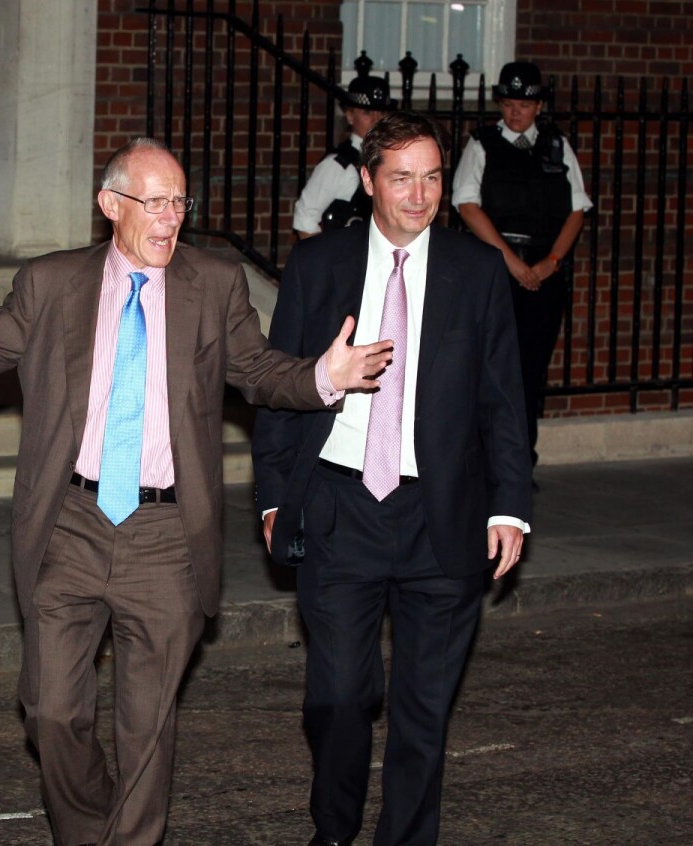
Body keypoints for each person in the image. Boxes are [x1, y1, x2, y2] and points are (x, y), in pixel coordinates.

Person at [0, 137, 393, 846]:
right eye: (154, 202)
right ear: (110, 204)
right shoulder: (52, 283)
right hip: (71, 521)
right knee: (52, 712)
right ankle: (87, 828)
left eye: (180, 202)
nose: (170, 219)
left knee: (147, 728)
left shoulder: (213, 283)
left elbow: (258, 371)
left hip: (165, 533)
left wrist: (324, 376)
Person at [252, 112, 532, 846]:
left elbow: (505, 401)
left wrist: (509, 506)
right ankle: (335, 831)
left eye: (433, 177)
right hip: (340, 507)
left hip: (442, 517)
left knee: (424, 709)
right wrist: (276, 496)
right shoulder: (320, 267)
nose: (420, 194)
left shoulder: (476, 273)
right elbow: (280, 389)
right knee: (340, 696)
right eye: (402, 177)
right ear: (370, 180)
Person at [453, 60, 592, 471]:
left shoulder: (555, 144)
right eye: (510, 103)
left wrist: (551, 262)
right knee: (489, 366)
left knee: (531, 370)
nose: (517, 112)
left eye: (525, 104)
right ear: (500, 103)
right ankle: (484, 457)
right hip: (498, 269)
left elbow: (577, 209)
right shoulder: (482, 143)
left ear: (539, 105)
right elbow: (467, 205)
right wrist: (511, 263)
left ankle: (519, 461)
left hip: (544, 272)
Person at [292, 75, 397, 240]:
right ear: (350, 115)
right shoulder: (338, 165)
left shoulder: (393, 161)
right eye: (367, 112)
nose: (376, 120)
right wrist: (325, 262)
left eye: (381, 112)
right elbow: (305, 217)